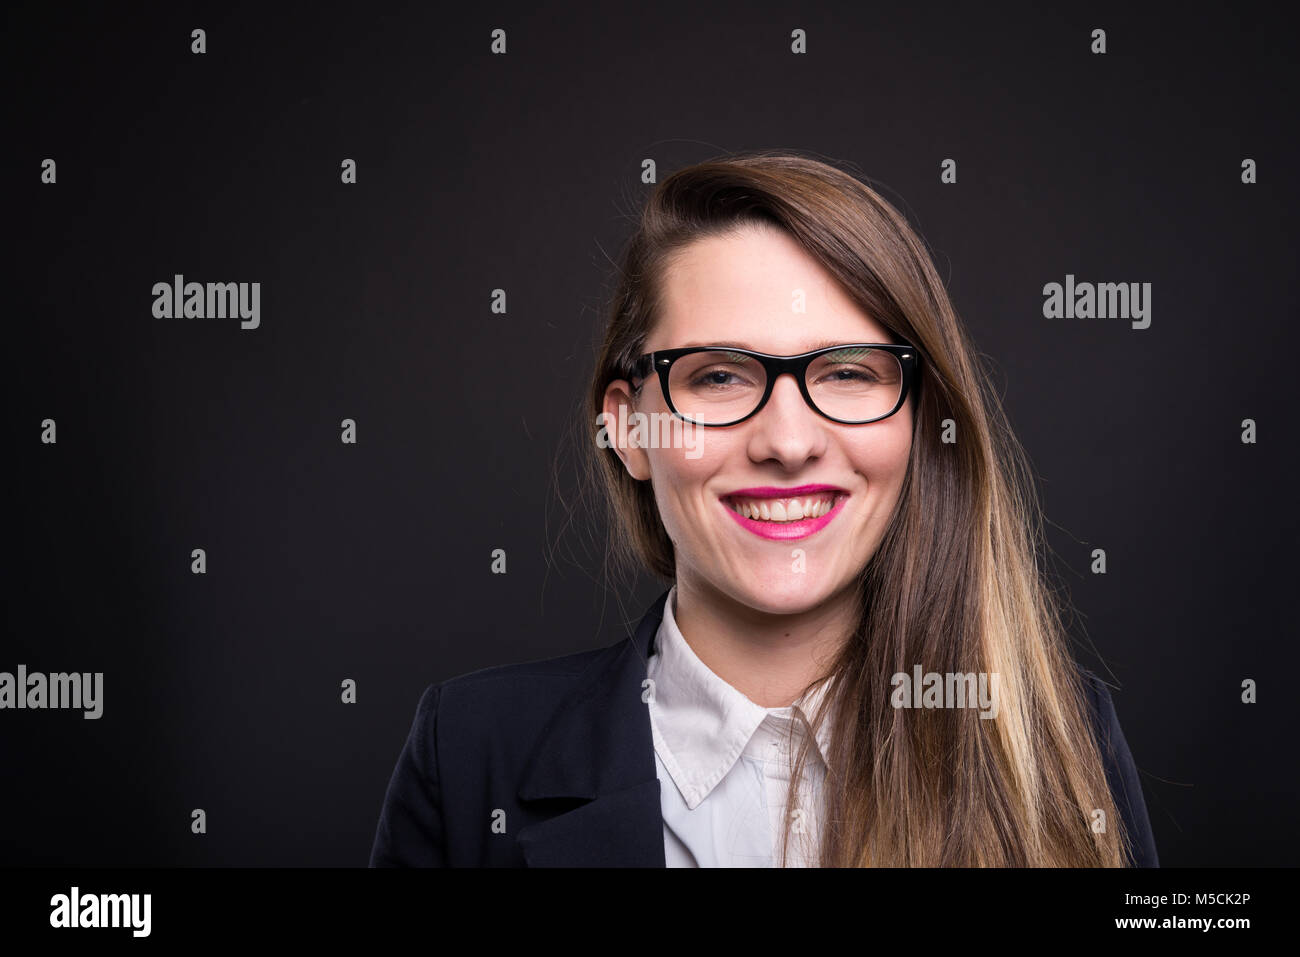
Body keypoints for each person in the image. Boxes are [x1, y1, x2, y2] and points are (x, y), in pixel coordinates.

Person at [369, 150, 1159, 867]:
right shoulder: (471, 753)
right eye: (718, 377)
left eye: (849, 373)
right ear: (628, 427)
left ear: (920, 423)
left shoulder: (1059, 731)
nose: (787, 440)